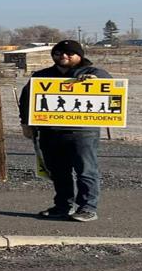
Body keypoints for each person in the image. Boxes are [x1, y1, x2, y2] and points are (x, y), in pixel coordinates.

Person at [19, 40, 112, 222]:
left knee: (86, 171)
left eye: (69, 53)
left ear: (80, 55)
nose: (63, 56)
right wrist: (26, 123)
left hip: (82, 132)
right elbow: (26, 99)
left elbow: (109, 84)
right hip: (49, 131)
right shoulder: (42, 76)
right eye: (59, 53)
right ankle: (63, 206)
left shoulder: (93, 73)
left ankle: (88, 208)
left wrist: (95, 82)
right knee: (58, 172)